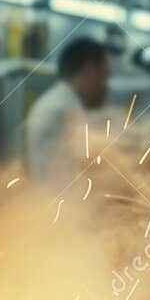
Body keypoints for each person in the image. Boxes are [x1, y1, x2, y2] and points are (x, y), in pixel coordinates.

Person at [25, 38, 111, 188]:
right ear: (90, 71)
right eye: (105, 75)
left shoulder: (62, 101)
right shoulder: (59, 109)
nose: (105, 85)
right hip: (58, 207)